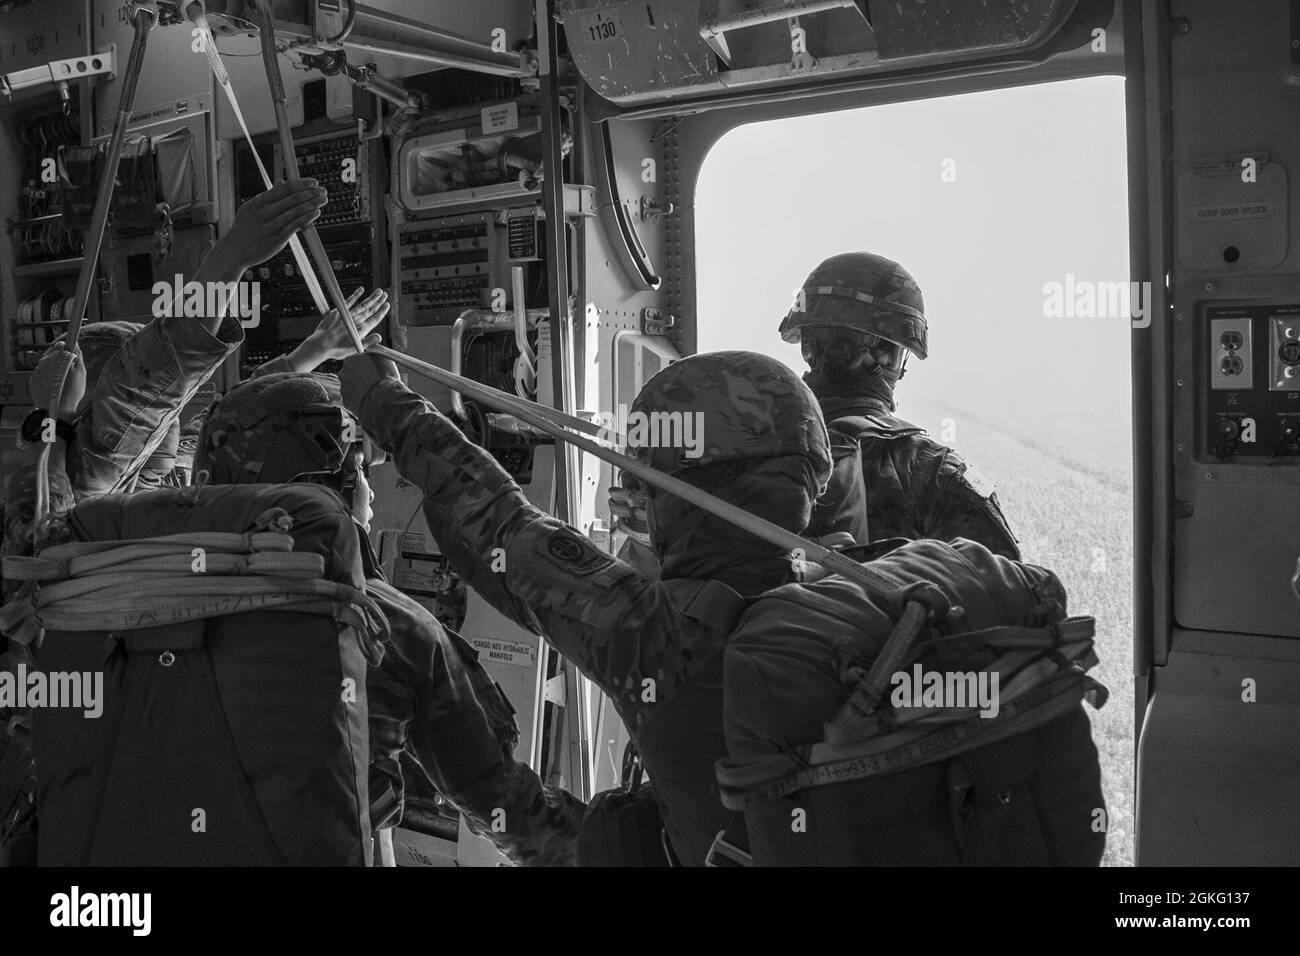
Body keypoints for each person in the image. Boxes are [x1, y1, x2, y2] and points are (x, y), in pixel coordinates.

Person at [194, 371, 583, 866]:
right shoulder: (387, 626)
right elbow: (508, 811)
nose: (371, 493)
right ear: (325, 485)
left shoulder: (134, 578)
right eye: (359, 473)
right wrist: (632, 840)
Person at [781, 252, 1021, 556]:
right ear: (892, 355)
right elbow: (1012, 591)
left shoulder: (746, 447)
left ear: (807, 346)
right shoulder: (936, 474)